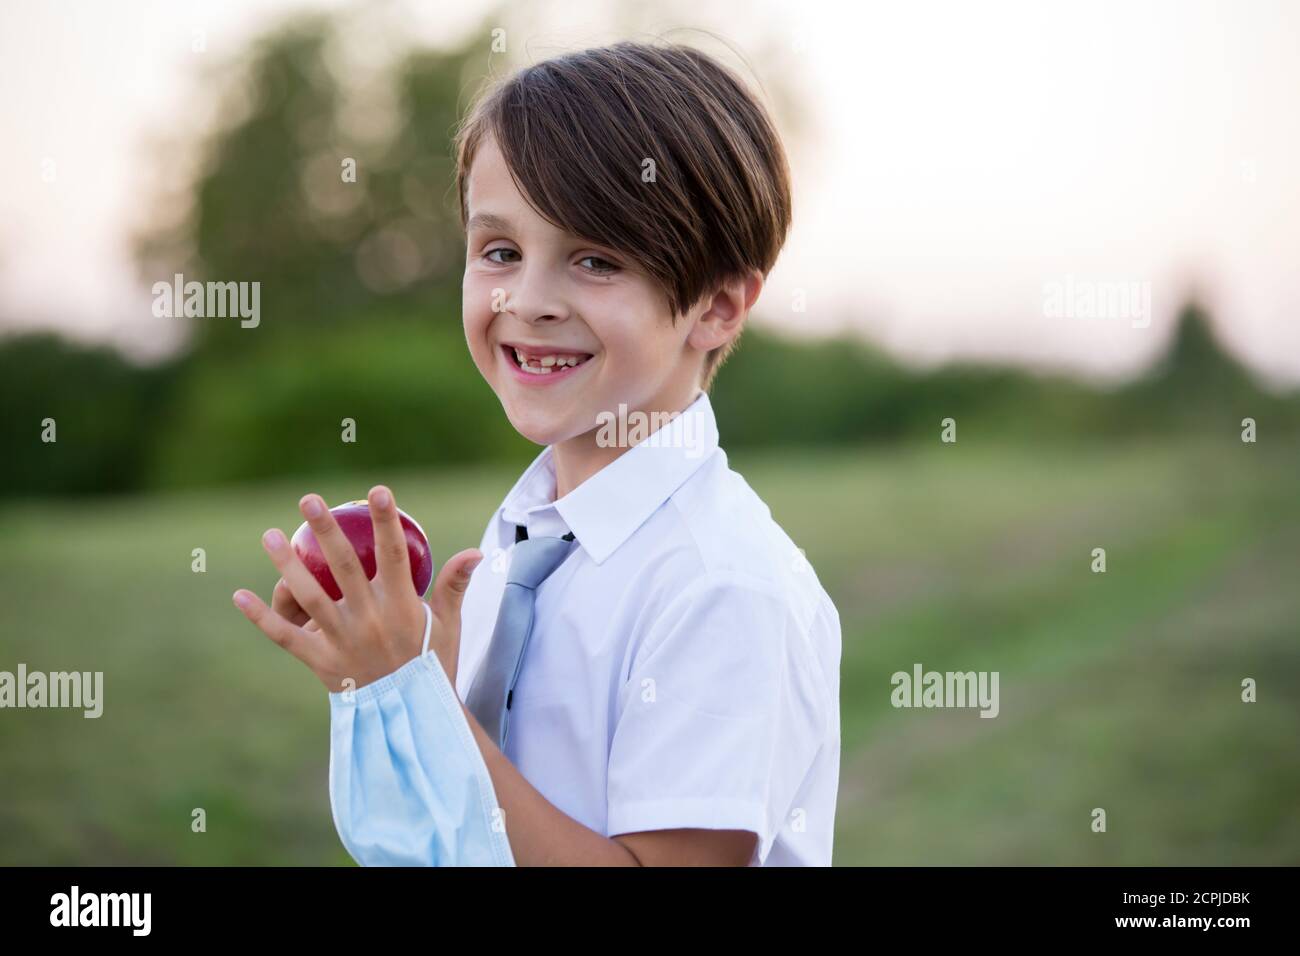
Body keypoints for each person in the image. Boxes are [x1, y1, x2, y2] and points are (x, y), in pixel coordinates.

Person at [233, 39, 841, 867]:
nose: (528, 300)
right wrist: (389, 690)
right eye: (500, 252)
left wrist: (420, 706)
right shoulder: (523, 540)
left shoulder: (722, 587)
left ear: (719, 306)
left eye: (595, 260)